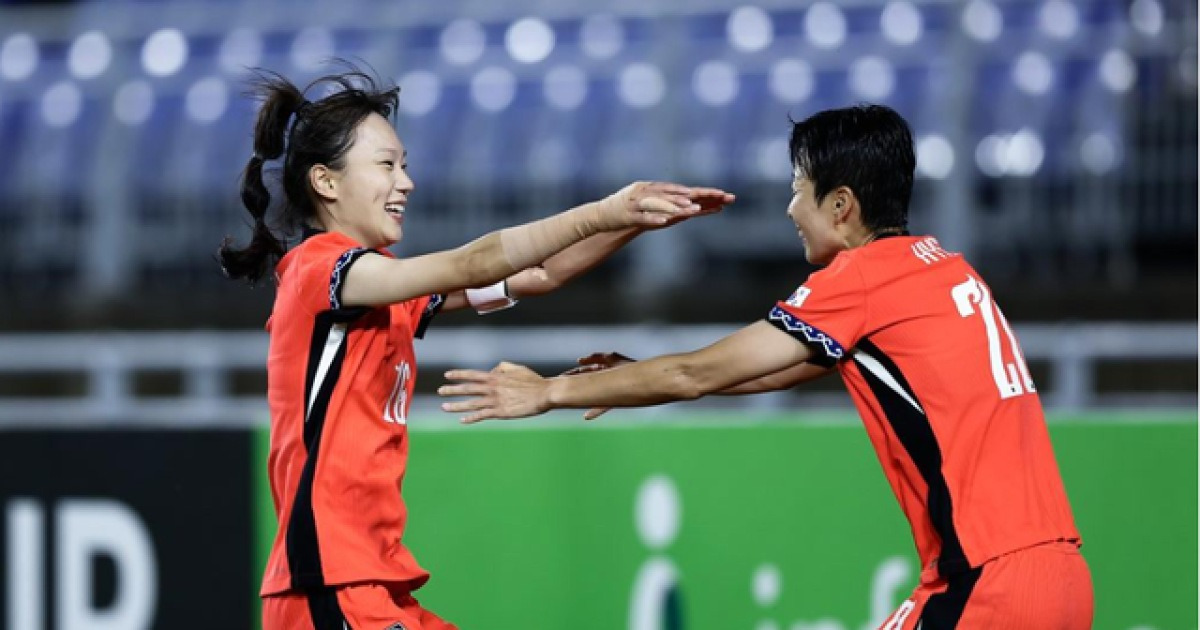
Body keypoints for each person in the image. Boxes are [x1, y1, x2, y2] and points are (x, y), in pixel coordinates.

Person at [439, 104, 1093, 629]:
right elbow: (760, 373)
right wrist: (627, 376)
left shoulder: (862, 279)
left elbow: (699, 372)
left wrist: (548, 392)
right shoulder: (947, 271)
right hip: (1060, 577)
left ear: (840, 205)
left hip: (984, 581)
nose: (789, 210)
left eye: (797, 191)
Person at [219, 66, 734, 630]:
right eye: (387, 165)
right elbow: (475, 263)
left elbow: (537, 273)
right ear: (326, 181)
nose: (406, 183)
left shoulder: (385, 286)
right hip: (329, 583)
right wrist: (601, 211)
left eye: (405, 165)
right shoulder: (320, 271)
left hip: (370, 582)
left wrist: (631, 220)